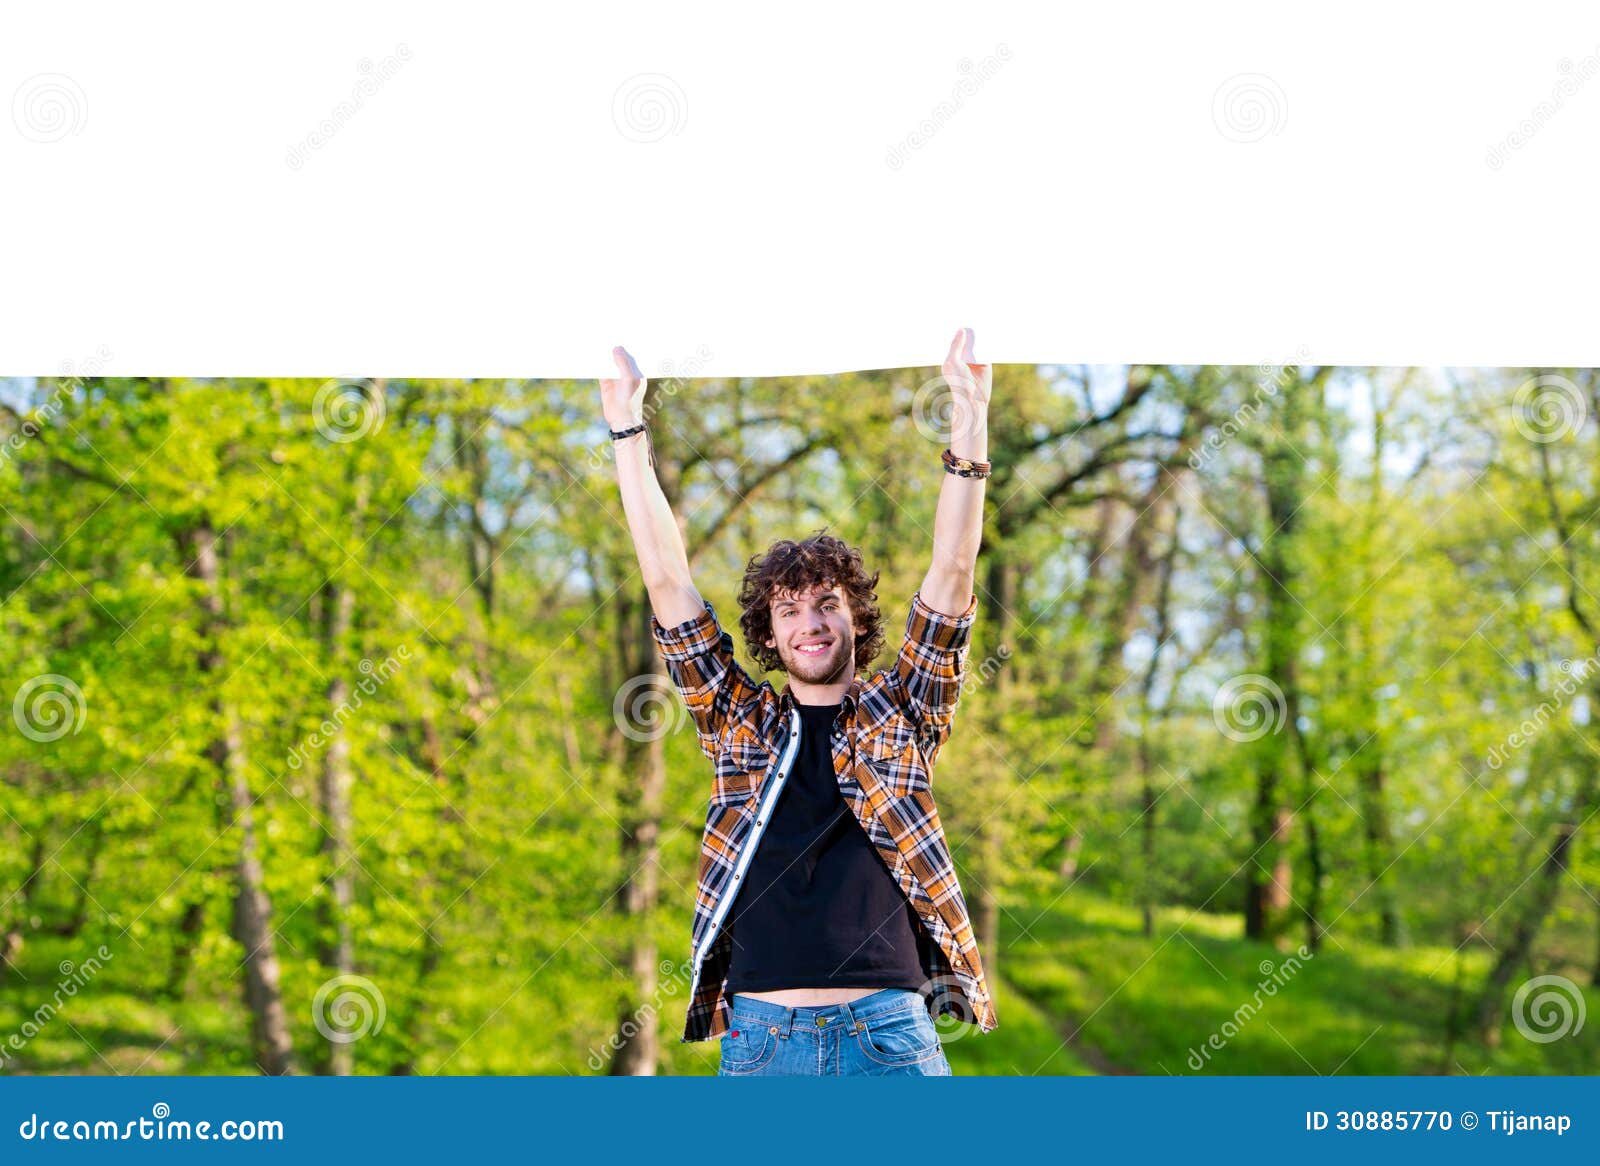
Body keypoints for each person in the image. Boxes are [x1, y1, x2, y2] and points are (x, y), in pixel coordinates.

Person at [600, 329, 998, 1076]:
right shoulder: (736, 722)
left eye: (825, 604)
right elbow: (666, 581)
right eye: (788, 611)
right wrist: (627, 431)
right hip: (761, 1042)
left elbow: (952, 567)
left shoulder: (904, 710)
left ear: (855, 619)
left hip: (890, 1037)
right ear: (771, 635)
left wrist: (969, 418)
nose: (810, 622)